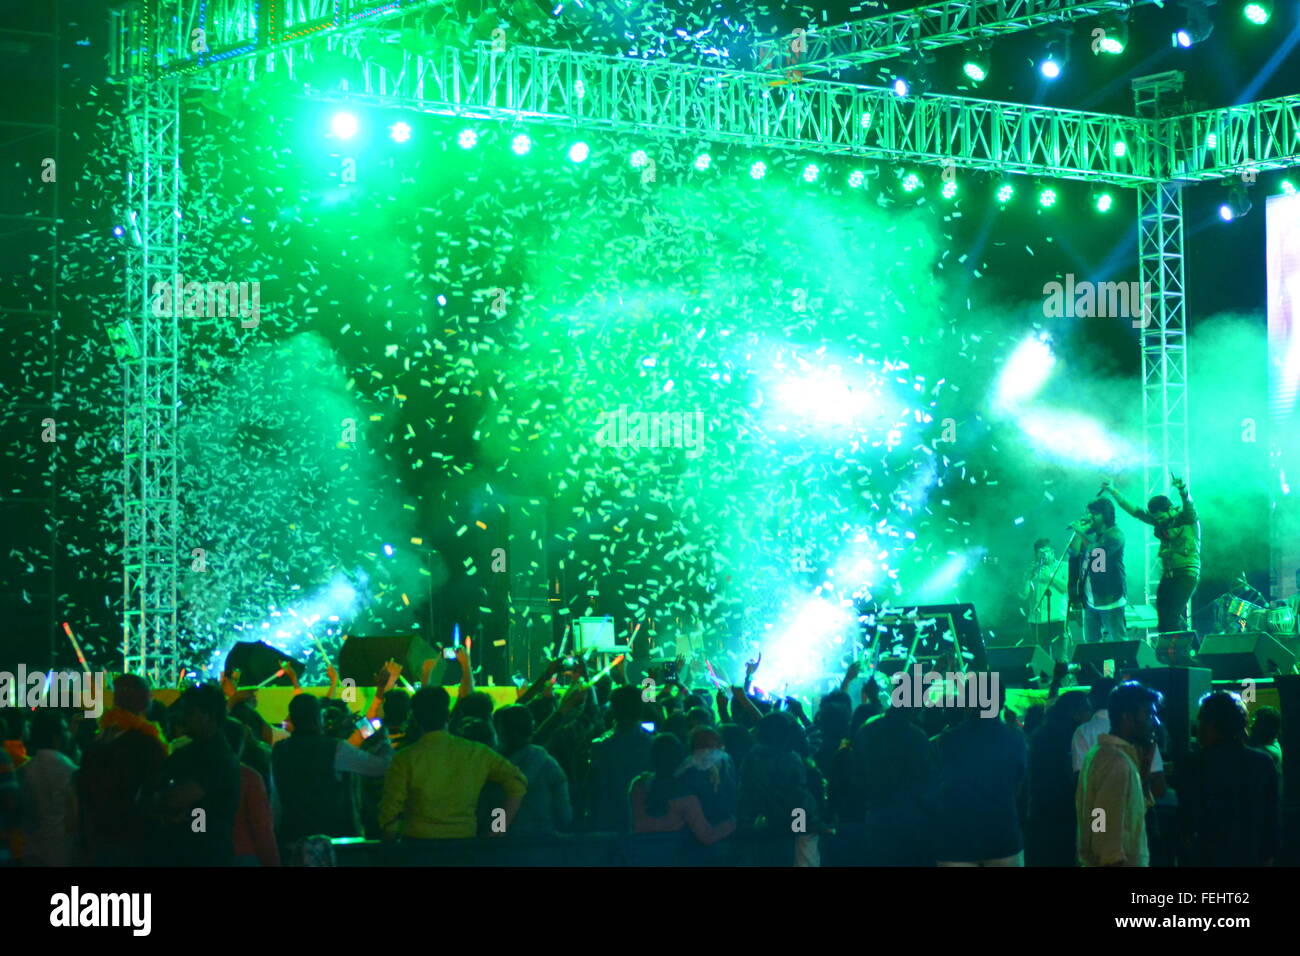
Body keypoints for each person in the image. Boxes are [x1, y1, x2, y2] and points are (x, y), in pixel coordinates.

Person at [379, 686, 526, 840]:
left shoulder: (404, 759)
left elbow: (389, 813)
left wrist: (391, 849)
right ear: (448, 715)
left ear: (414, 719)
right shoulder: (476, 752)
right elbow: (518, 784)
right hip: (464, 844)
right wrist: (498, 827)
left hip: (418, 847)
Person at [271, 692, 391, 850]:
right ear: (318, 718)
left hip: (293, 839)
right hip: (333, 841)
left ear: (292, 719)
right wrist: (384, 739)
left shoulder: (279, 750)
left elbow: (274, 801)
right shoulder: (335, 748)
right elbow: (379, 766)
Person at [1178, 691, 1279, 866]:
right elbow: (1271, 816)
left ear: (1211, 724)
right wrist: (1268, 853)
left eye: (1201, 720)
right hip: (1251, 855)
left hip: (1206, 855)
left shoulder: (1195, 762)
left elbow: (1187, 817)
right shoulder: (1262, 762)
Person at [77, 673, 168, 865]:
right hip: (132, 833)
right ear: (143, 700)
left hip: (97, 830)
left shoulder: (101, 736)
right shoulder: (145, 741)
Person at [932, 690, 1028, 866]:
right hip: (1003, 833)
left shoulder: (947, 740)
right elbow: (1020, 785)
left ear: (967, 703)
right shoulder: (1015, 738)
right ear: (1000, 703)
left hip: (956, 838)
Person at [1076, 681, 1162, 867]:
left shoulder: (1102, 754)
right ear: (1127, 718)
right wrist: (1109, 857)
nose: (1155, 722)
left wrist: (1144, 771)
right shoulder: (1117, 763)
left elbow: (1126, 814)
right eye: (1149, 714)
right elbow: (1103, 823)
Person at [155, 683, 242, 866]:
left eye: (189, 711)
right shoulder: (187, 754)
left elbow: (176, 798)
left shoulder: (217, 759)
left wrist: (159, 801)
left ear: (208, 716)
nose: (182, 717)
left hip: (205, 855)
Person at [1103, 475, 1200, 634]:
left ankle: (1180, 654)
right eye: (1156, 518)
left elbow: (1189, 505)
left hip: (1186, 572)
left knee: (1172, 617)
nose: (1159, 521)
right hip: (1169, 573)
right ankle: (1187, 650)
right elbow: (1136, 512)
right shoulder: (1159, 521)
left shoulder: (1186, 517)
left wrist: (1183, 490)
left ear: (1170, 510)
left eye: (1161, 517)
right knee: (1163, 617)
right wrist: (1114, 491)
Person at [628, 733, 736, 845]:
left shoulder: (637, 785)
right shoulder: (685, 794)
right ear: (680, 758)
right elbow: (707, 836)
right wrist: (731, 823)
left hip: (640, 855)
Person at [1026, 690, 1092, 866]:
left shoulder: (1041, 736)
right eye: (1088, 710)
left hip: (1041, 811)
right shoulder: (1074, 739)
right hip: (1065, 811)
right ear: (1076, 713)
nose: (1091, 715)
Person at [493, 705, 571, 836]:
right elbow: (564, 816)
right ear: (532, 727)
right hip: (542, 844)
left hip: (503, 847)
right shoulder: (550, 766)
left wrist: (497, 834)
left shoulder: (492, 767)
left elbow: (493, 806)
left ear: (500, 731)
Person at [585, 685, 653, 832]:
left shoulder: (599, 746)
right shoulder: (653, 745)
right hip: (646, 820)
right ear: (640, 710)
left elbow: (592, 787)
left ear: (613, 710)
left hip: (607, 820)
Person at [17, 712, 78, 866]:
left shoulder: (25, 768)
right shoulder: (67, 768)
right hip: (60, 848)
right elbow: (73, 816)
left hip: (31, 848)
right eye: (64, 730)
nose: (69, 733)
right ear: (55, 737)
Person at [1068, 497, 1127, 643]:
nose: (1090, 517)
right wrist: (1077, 532)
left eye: (1094, 513)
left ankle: (1124, 666)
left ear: (1105, 515)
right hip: (1090, 601)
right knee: (1091, 649)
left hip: (1110, 600)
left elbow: (1097, 551)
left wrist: (1081, 533)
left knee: (1120, 645)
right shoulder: (1091, 537)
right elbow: (1074, 552)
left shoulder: (1115, 535)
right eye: (1088, 513)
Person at [222, 718, 279, 866]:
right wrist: (272, 861)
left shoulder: (200, 775)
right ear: (241, 745)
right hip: (243, 852)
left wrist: (199, 834)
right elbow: (261, 827)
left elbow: (198, 812)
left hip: (210, 852)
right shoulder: (248, 777)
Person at [1023, 538, 1069, 659]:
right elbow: (1023, 594)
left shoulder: (1063, 566)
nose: (1043, 555)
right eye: (1040, 552)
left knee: (1061, 657)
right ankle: (1045, 677)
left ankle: (1062, 677)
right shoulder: (1033, 570)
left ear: (1052, 552)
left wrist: (1049, 576)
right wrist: (1027, 578)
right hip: (1036, 621)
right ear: (1036, 554)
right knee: (1042, 658)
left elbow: (1066, 588)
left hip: (1057, 618)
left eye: (1046, 551)